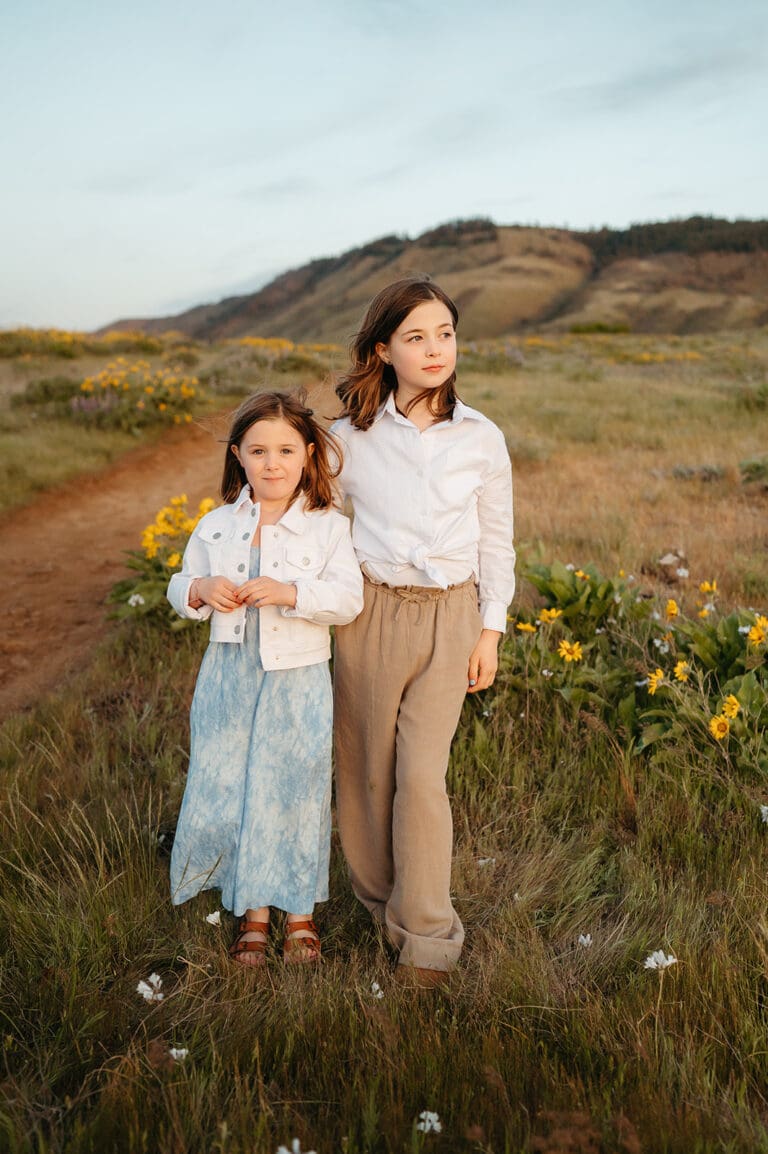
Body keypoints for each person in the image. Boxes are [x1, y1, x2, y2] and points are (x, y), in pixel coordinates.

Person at [332, 277, 515, 987]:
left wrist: (490, 630)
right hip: (370, 615)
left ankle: (428, 939)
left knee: (421, 777)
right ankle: (383, 907)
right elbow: (309, 519)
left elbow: (497, 542)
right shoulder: (347, 440)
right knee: (368, 776)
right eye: (416, 337)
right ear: (384, 350)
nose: (435, 349)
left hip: (452, 615)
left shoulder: (483, 437)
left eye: (445, 333)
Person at [167, 391, 363, 966]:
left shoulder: (326, 528)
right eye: (257, 451)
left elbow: (347, 600)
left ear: (307, 455)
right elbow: (180, 586)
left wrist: (290, 593)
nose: (271, 463)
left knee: (293, 786)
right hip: (228, 675)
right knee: (234, 781)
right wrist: (199, 592)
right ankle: (253, 912)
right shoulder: (217, 525)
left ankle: (298, 912)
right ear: (239, 457)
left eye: (284, 450)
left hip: (296, 679)